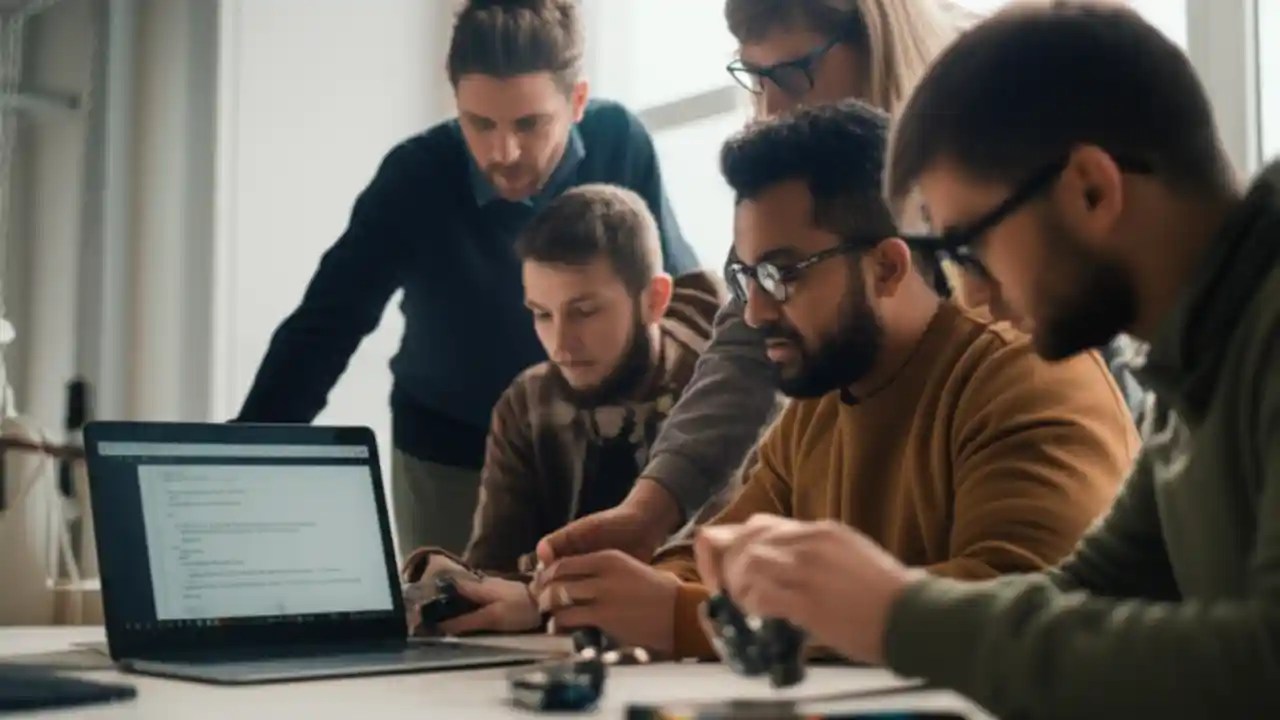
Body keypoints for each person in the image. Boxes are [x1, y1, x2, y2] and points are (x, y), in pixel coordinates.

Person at [696, 4, 1280, 718]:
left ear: (1092, 189)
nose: (971, 294)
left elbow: (1265, 664)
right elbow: (1084, 592)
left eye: (968, 246)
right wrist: (854, 598)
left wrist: (897, 612)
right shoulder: (1188, 368)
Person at [443, 101, 1138, 652]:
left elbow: (1013, 599)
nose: (754, 311)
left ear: (888, 267)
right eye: (745, 276)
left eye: (781, 274)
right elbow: (717, 561)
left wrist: (687, 619)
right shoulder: (818, 405)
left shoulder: (1027, 376)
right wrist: (571, 595)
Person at [233, 0, 698, 557]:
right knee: (450, 605)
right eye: (480, 124)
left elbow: (681, 292)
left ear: (576, 101)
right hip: (448, 451)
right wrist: (246, 459)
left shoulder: (620, 141)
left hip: (601, 436)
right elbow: (327, 325)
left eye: (529, 124)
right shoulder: (414, 176)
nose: (503, 153)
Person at [536, 0, 967, 568]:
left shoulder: (972, 159)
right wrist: (645, 516)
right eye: (755, 77)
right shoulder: (807, 420)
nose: (771, 107)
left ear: (875, 41)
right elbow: (741, 358)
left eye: (790, 72)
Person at [403, 184, 724, 580]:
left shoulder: (726, 395)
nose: (560, 345)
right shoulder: (526, 404)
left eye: (584, 312)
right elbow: (494, 568)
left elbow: (713, 575)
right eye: (542, 314)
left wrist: (533, 593)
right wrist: (459, 585)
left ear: (654, 300)